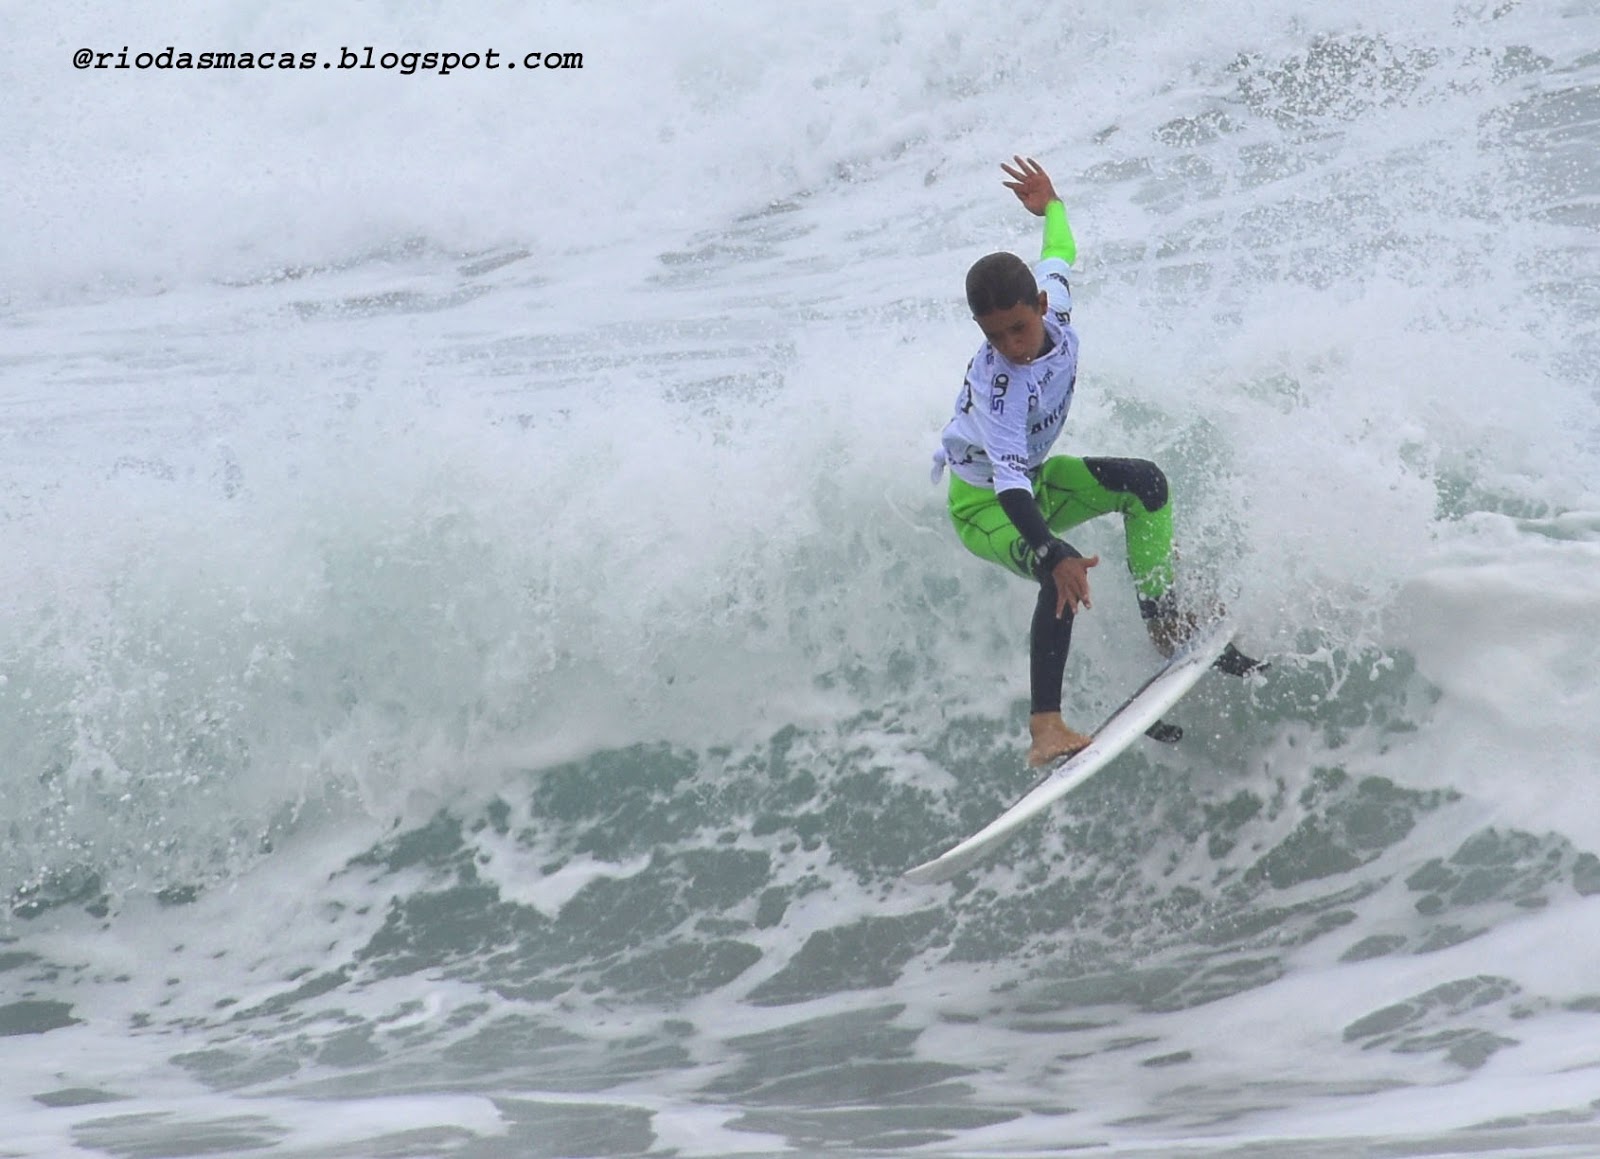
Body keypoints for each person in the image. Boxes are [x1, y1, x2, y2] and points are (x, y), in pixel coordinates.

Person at [931, 156, 1260, 768]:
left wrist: (1051, 204)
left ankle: (1164, 621)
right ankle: (1046, 727)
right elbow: (1006, 485)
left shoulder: (1057, 303)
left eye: (1017, 329)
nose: (1009, 346)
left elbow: (1059, 249)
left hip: (1034, 479)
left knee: (1146, 485)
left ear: (1039, 304)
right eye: (993, 335)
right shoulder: (997, 385)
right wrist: (1053, 552)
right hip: (987, 505)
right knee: (1053, 571)